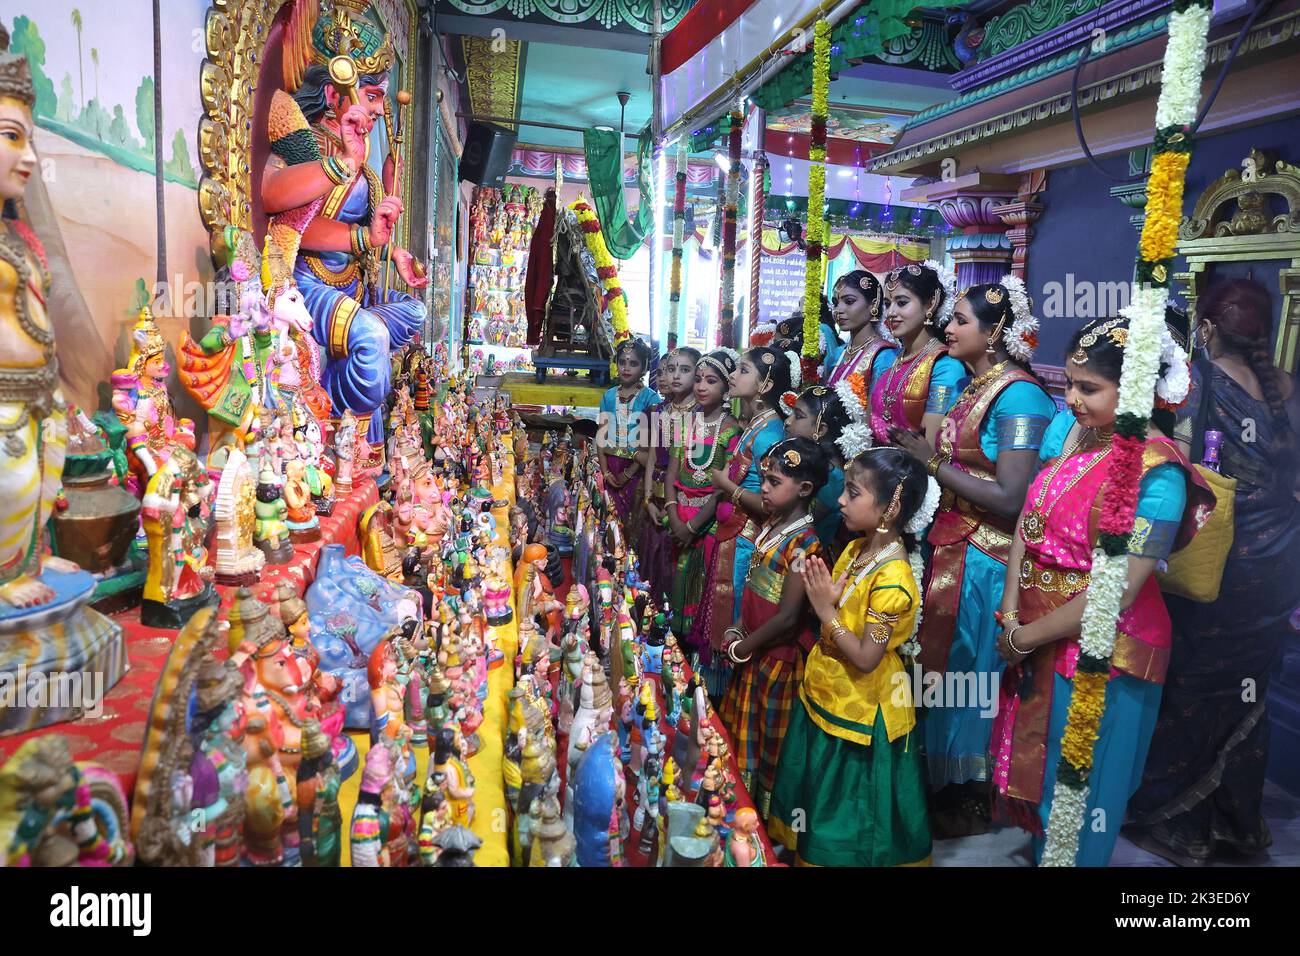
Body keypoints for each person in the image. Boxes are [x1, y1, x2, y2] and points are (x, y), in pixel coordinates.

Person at [990, 315, 1214, 866]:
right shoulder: (1080, 435)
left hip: (1106, 649)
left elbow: (1115, 592)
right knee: (1040, 778)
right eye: (1069, 383)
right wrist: (1012, 610)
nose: (1071, 399)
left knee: (1080, 792)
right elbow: (1029, 520)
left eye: (1088, 388)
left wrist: (1025, 636)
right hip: (1036, 627)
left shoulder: (1158, 473)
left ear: (1135, 388)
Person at [1128, 279, 1300, 865]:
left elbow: (1178, 460)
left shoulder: (1199, 382)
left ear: (1204, 328)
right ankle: (1238, 823)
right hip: (1278, 562)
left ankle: (1178, 824)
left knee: (1194, 687)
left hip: (1223, 562)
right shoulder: (1284, 387)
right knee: (1249, 691)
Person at [891, 278, 1055, 835]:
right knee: (941, 665)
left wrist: (931, 464)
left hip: (986, 555)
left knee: (970, 671)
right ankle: (942, 782)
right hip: (952, 542)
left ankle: (973, 792)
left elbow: (1014, 495)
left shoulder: (1021, 395)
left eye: (960, 320)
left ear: (996, 330)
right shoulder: (971, 382)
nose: (949, 328)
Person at [768, 448, 937, 866]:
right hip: (827, 689)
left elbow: (865, 657)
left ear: (889, 507)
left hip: (862, 712)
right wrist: (829, 602)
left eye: (852, 493)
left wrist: (825, 610)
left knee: (848, 817)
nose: (840, 501)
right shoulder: (858, 548)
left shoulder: (893, 582)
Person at [718, 437, 827, 817]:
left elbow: (788, 617)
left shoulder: (805, 546)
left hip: (776, 660)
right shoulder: (773, 525)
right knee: (744, 731)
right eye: (764, 478)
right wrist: (736, 626)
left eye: (774, 482)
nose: (762, 488)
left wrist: (746, 647)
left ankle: (763, 819)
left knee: (768, 743)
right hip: (753, 648)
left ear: (805, 489)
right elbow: (751, 584)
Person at [697, 347, 794, 699]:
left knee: (734, 612)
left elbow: (770, 504)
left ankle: (727, 698)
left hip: (746, 537)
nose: (733, 376)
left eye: (743, 370)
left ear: (766, 383)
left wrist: (727, 487)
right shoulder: (756, 425)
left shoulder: (770, 434)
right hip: (732, 533)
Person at [664, 350, 740, 649]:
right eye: (697, 380)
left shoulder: (731, 429)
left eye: (711, 381)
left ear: (726, 388)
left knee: (698, 590)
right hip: (677, 516)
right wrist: (673, 515)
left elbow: (721, 488)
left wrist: (693, 526)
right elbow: (671, 473)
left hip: (706, 524)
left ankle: (692, 658)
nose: (701, 386)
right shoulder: (684, 422)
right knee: (675, 585)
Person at [871, 262, 968, 446]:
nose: (891, 312)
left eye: (901, 303)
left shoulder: (945, 366)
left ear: (930, 304)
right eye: (887, 303)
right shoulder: (886, 357)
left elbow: (928, 446)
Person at [640, 347, 700, 603]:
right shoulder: (660, 411)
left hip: (683, 502)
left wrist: (674, 506)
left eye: (685, 370)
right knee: (650, 560)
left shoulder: (702, 415)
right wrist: (647, 498)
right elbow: (652, 456)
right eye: (670, 369)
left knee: (673, 567)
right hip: (655, 497)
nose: (675, 376)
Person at [785, 385, 856, 561]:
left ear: (821, 430)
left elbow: (798, 522)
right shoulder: (812, 462)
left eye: (798, 416)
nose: (788, 421)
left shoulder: (833, 479)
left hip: (802, 559)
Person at [597, 338, 659, 534]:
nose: (626, 368)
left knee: (631, 523)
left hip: (637, 469)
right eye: (622, 362)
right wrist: (605, 472)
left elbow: (648, 445)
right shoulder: (609, 396)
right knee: (608, 519)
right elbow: (601, 436)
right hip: (610, 465)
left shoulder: (650, 398)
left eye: (633, 363)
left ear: (644, 368)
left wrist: (628, 473)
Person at [825, 270, 897, 387]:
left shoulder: (885, 356)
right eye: (836, 303)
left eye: (849, 301)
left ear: (873, 305)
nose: (838, 310)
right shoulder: (837, 354)